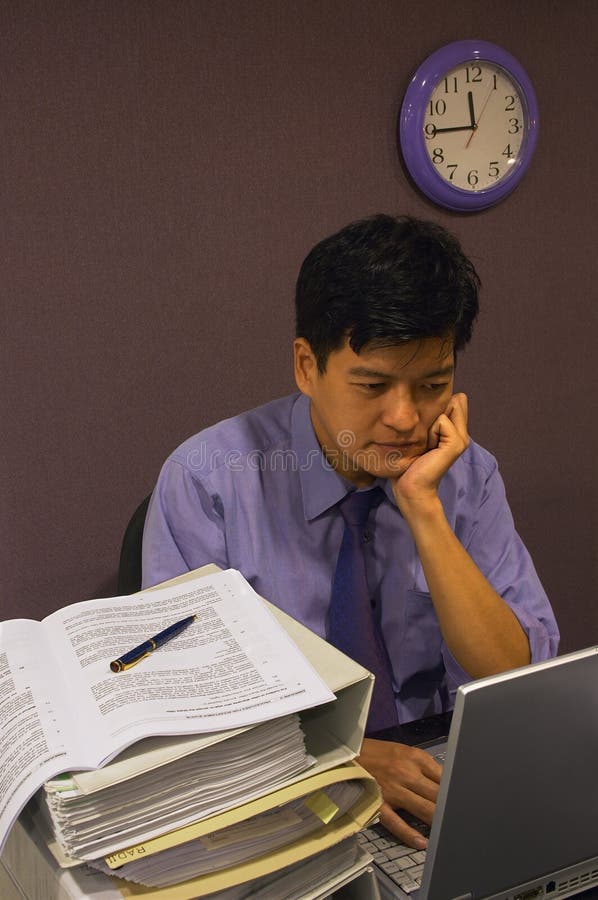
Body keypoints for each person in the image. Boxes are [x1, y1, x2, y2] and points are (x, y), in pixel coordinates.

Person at [142, 213, 559, 849]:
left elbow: (515, 675)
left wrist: (424, 508)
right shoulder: (208, 482)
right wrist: (341, 757)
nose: (405, 417)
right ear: (307, 367)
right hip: (280, 786)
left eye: (433, 386)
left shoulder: (465, 476)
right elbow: (185, 700)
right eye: (373, 385)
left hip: (439, 778)